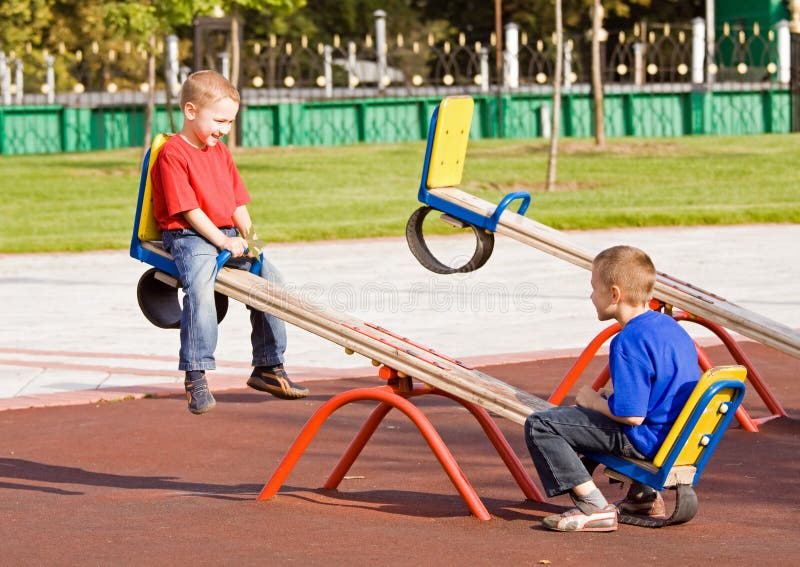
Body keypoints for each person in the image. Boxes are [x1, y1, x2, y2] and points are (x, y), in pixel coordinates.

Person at [150, 69, 308, 414]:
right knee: (201, 288)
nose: (224, 129)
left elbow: (237, 203)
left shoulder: (220, 152)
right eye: (219, 120)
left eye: (230, 122)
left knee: (272, 280)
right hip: (189, 236)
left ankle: (268, 365)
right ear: (191, 112)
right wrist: (223, 240)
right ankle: (196, 375)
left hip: (225, 235)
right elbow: (189, 211)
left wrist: (252, 241)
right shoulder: (173, 154)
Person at [525, 245, 700, 532]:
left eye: (594, 288)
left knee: (542, 424)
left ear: (615, 294)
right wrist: (611, 399)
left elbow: (632, 416)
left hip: (645, 440)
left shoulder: (628, 340)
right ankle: (642, 496)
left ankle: (594, 507)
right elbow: (657, 393)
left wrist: (594, 401)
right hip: (674, 435)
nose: (591, 296)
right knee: (584, 417)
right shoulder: (671, 329)